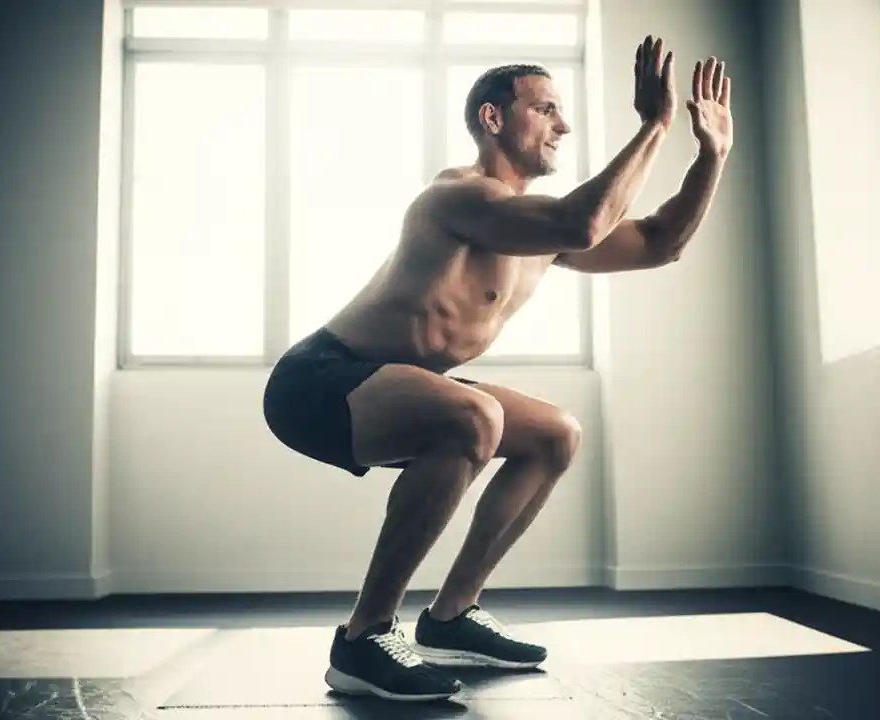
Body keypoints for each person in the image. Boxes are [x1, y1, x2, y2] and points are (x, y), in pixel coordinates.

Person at [262, 35, 733, 702]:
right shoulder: (456, 199)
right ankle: (363, 637)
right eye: (545, 109)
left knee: (554, 435)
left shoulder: (537, 233)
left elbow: (660, 244)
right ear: (493, 118)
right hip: (316, 383)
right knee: (473, 417)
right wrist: (655, 125)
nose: (562, 125)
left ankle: (453, 616)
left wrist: (713, 155)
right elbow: (583, 222)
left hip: (402, 385)